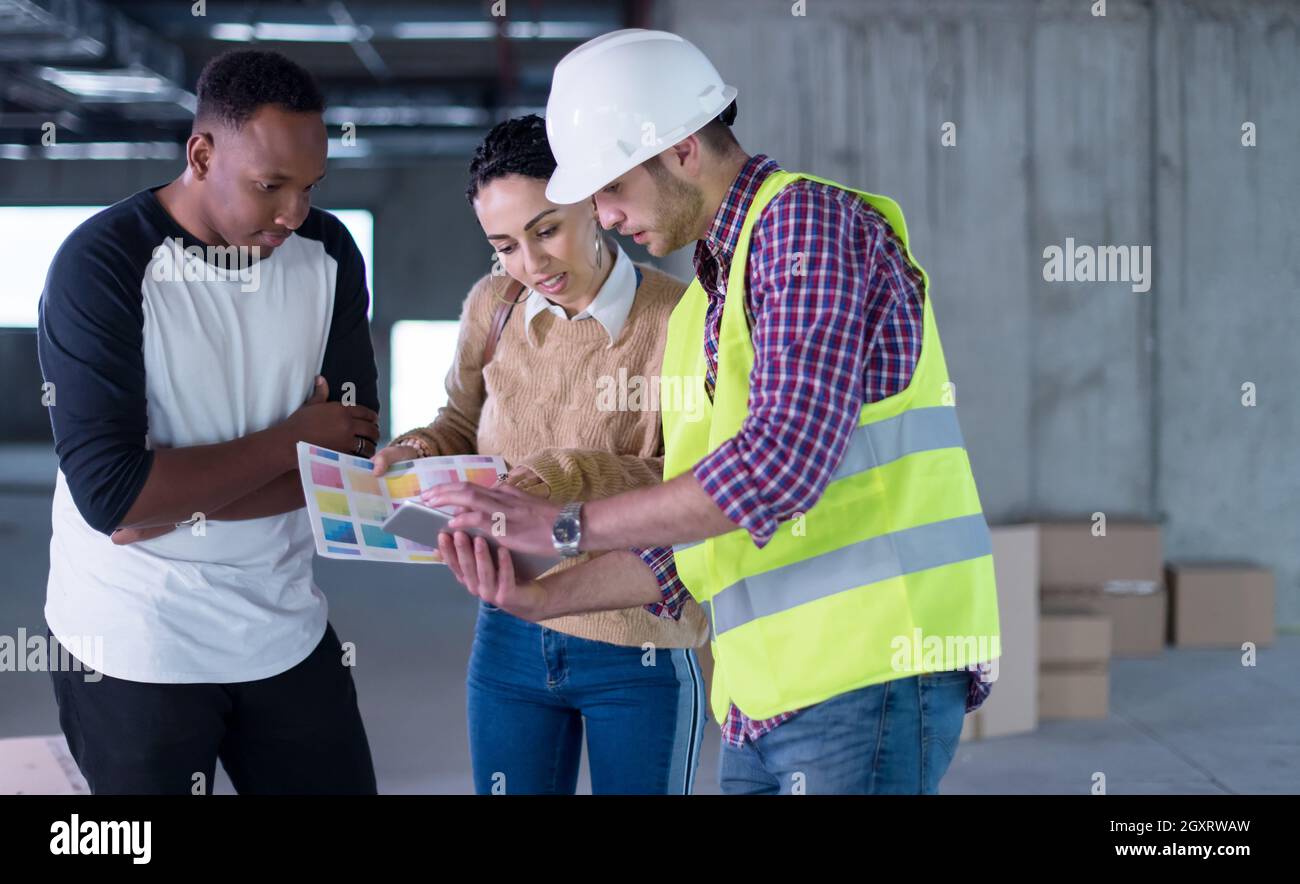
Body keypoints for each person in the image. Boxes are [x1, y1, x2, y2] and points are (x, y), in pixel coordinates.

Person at [427, 29, 1002, 795]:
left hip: (868, 673)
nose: (603, 212)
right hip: (764, 699)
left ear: (681, 148)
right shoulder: (705, 302)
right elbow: (695, 539)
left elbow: (779, 463)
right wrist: (544, 596)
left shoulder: (806, 229)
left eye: (611, 186)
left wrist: (564, 522)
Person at [37, 49, 381, 794]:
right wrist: (294, 439)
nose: (294, 212)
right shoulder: (102, 264)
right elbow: (113, 500)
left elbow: (351, 462)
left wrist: (170, 495)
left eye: (310, 187)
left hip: (282, 624)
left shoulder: (328, 253)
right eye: (270, 186)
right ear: (201, 153)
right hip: (134, 638)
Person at [370, 115, 709, 795]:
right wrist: (417, 448)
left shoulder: (683, 317)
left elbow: (698, 483)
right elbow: (461, 419)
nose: (530, 265)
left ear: (593, 201)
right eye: (504, 245)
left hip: (638, 634)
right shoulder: (492, 307)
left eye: (545, 230)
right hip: (508, 629)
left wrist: (563, 475)